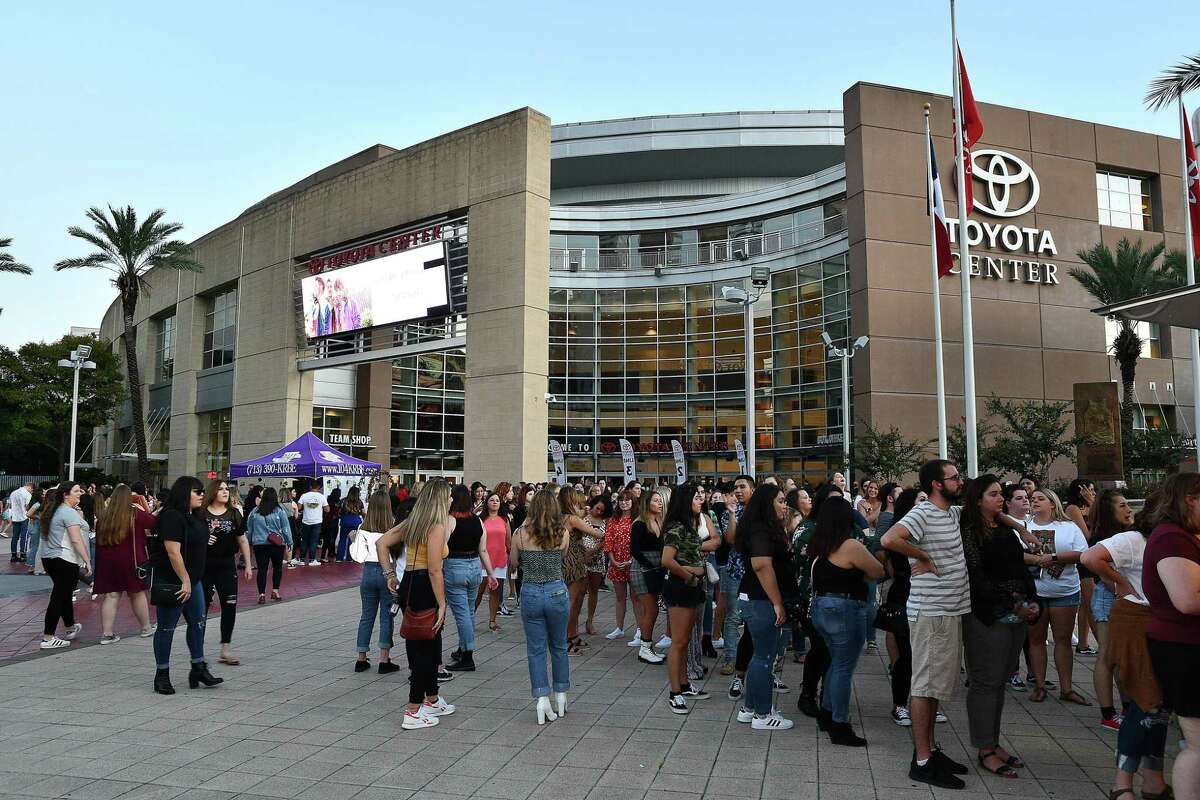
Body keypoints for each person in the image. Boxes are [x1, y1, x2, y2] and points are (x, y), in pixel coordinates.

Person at [881, 459, 970, 789]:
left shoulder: (952, 513)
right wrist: (923, 556)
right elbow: (889, 539)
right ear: (936, 483)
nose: (960, 481)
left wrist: (1022, 530)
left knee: (934, 688)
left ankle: (931, 750)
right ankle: (922, 761)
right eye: (954, 477)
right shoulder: (923, 512)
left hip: (947, 611)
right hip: (932, 614)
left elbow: (989, 511)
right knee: (924, 687)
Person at [1081, 500, 1172, 800]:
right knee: (1146, 703)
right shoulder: (1134, 539)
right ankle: (1123, 783)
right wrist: (1120, 582)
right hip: (1137, 618)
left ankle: (1153, 779)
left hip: (1166, 624)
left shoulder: (1177, 538)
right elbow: (1089, 557)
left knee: (1159, 707)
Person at [959, 475, 1039, 778]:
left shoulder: (1004, 529)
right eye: (993, 494)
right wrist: (1012, 603)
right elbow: (976, 576)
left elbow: (1019, 566)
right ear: (978, 499)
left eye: (1000, 494)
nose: (1000, 499)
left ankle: (992, 742)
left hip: (1016, 613)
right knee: (985, 681)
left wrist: (1032, 600)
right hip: (987, 615)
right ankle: (985, 748)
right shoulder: (969, 531)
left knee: (1000, 680)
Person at [377, 479, 456, 730]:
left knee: (428, 643)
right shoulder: (436, 525)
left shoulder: (414, 521)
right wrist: (442, 603)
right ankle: (413, 709)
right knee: (425, 647)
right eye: (449, 496)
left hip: (410, 583)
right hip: (424, 585)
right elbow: (434, 569)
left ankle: (431, 698)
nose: (452, 499)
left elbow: (381, 543)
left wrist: (390, 575)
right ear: (440, 499)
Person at [808, 495, 884, 745]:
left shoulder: (819, 545)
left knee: (835, 663)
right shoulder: (850, 546)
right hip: (845, 609)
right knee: (843, 668)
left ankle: (827, 713)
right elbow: (878, 570)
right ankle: (839, 724)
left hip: (821, 608)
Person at [1143, 472, 1200, 800]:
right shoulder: (1171, 538)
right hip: (1184, 649)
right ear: (1190, 499)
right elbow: (1187, 600)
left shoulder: (1184, 536)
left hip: (1186, 645)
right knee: (1197, 744)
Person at [150, 476, 223, 694]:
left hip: (194, 580)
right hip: (173, 581)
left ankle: (198, 667)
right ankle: (162, 674)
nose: (202, 495)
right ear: (184, 493)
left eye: (202, 491)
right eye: (197, 491)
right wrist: (185, 580)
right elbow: (173, 552)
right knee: (167, 627)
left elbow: (197, 543)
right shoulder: (172, 516)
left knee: (198, 623)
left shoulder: (197, 516)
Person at [735, 483, 799, 731]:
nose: (785, 506)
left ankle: (750, 708)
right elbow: (762, 565)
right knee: (764, 657)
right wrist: (777, 602)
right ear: (767, 504)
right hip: (761, 600)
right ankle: (762, 714)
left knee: (759, 656)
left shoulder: (762, 527)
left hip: (758, 599)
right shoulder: (760, 529)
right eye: (781, 501)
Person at [509, 489, 570, 725]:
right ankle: (561, 695)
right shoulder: (562, 533)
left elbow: (514, 562)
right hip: (556, 590)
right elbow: (562, 557)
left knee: (536, 649)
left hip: (531, 591)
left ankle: (542, 698)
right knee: (559, 646)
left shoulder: (520, 534)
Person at [1026, 488, 1090, 705]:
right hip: (1035, 592)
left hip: (1064, 592)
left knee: (1063, 640)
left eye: (1040, 498)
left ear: (1052, 503)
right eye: (1032, 499)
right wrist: (1036, 560)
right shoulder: (1025, 526)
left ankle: (1067, 688)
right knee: (1036, 639)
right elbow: (1014, 554)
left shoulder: (1068, 527)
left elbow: (1083, 554)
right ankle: (1039, 686)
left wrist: (1053, 557)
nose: (1034, 501)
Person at [661, 483, 718, 714]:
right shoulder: (676, 527)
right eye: (696, 497)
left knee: (684, 640)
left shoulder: (689, 525)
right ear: (685, 501)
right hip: (681, 587)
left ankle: (684, 685)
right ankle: (674, 693)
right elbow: (667, 560)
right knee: (678, 642)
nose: (701, 500)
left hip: (691, 587)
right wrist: (689, 576)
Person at [1087, 489, 1135, 730]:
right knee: (1107, 656)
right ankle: (1108, 713)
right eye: (1122, 505)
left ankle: (1128, 707)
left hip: (1126, 598)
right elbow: (1104, 575)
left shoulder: (1130, 534)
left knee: (1122, 657)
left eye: (1128, 504)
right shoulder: (1102, 539)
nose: (1129, 510)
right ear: (1109, 511)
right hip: (1110, 598)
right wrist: (1124, 590)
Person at [443, 485, 496, 673]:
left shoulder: (450, 520)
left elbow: (441, 547)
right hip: (474, 567)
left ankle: (467, 655)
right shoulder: (477, 521)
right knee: (469, 612)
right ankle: (462, 648)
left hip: (455, 566)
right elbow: (483, 550)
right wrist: (490, 573)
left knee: (462, 614)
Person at [200, 479, 253, 666]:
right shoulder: (201, 513)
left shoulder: (234, 513)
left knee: (229, 605)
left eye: (226, 489)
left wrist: (248, 564)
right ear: (212, 492)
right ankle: (198, 650)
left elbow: (242, 540)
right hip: (204, 566)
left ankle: (225, 648)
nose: (225, 492)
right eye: (221, 489)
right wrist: (204, 539)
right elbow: (190, 538)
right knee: (201, 607)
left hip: (227, 565)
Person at [94, 484, 155, 643]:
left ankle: (107, 634)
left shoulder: (104, 517)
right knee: (137, 593)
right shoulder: (135, 514)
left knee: (111, 596)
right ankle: (146, 628)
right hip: (132, 562)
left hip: (108, 563)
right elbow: (153, 523)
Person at [881, 488, 921, 726]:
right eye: (922, 500)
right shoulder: (898, 532)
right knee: (906, 654)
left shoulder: (932, 529)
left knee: (927, 655)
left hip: (930, 596)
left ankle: (925, 703)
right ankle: (900, 704)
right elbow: (893, 566)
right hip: (906, 594)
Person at [38, 482, 93, 649]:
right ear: (65, 495)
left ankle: (70, 626)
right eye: (76, 491)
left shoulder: (54, 510)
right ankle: (48, 637)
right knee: (59, 596)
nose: (80, 493)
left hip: (50, 558)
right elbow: (76, 539)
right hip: (64, 559)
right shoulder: (68, 512)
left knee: (64, 593)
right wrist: (87, 560)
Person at [351, 491, 399, 673]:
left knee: (366, 616)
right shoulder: (393, 526)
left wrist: (352, 540)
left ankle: (361, 658)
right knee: (387, 616)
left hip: (368, 572)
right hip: (388, 572)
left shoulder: (363, 527)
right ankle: (384, 660)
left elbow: (358, 556)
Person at [558, 487, 602, 655]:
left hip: (565, 558)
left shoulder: (560, 517)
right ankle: (565, 640)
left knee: (574, 600)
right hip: (573, 560)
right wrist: (608, 530)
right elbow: (595, 533)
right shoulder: (572, 518)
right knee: (571, 601)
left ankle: (572, 634)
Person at [629, 488, 667, 664]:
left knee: (653, 608)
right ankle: (644, 648)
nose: (660, 503)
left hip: (657, 568)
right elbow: (634, 550)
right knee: (650, 609)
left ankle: (647, 646)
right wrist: (651, 565)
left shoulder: (659, 521)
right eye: (656, 500)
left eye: (660, 501)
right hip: (643, 569)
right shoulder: (639, 523)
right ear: (647, 503)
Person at [1065, 478, 1098, 655]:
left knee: (1086, 603)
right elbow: (1087, 536)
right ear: (1080, 491)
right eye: (1089, 490)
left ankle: (1083, 643)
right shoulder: (1073, 509)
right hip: (1082, 558)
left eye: (1093, 490)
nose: (1092, 493)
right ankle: (1101, 642)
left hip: (1093, 556)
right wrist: (1093, 504)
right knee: (1091, 600)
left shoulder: (1089, 508)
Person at [247, 488, 292, 604]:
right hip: (277, 544)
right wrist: (289, 541)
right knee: (277, 568)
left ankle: (261, 594)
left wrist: (250, 541)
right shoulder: (279, 511)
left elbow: (249, 528)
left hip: (259, 544)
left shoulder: (255, 511)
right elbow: (286, 527)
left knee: (262, 569)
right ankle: (275, 591)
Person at [476, 490, 511, 632]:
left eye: (497, 500)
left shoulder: (504, 519)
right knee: (479, 590)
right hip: (483, 560)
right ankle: (469, 617)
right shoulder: (481, 518)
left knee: (495, 591)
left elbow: (509, 541)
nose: (495, 502)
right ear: (487, 503)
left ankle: (492, 620)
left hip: (500, 559)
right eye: (492, 500)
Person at [602, 490, 635, 639]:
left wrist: (631, 560)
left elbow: (639, 543)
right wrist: (613, 561)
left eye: (627, 500)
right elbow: (608, 542)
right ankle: (619, 628)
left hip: (633, 563)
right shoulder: (613, 520)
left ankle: (640, 630)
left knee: (636, 598)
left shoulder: (637, 519)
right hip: (616, 563)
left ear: (633, 501)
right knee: (620, 597)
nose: (624, 502)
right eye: (621, 500)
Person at [582, 495, 609, 635]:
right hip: (582, 558)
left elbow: (607, 539)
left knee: (594, 590)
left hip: (597, 558)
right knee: (580, 591)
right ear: (592, 505)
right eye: (597, 508)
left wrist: (593, 551)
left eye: (602, 510)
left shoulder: (605, 521)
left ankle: (590, 621)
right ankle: (573, 621)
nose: (598, 512)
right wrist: (584, 553)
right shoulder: (582, 518)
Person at [297, 481, 328, 566]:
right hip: (317, 522)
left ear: (310, 486)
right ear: (318, 487)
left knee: (304, 541)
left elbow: (298, 507)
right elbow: (327, 509)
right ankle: (312, 560)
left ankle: (302, 560)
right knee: (314, 541)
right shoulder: (322, 496)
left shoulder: (304, 495)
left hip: (305, 521)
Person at [338, 486, 364, 562]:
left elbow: (339, 511)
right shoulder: (359, 502)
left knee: (342, 539)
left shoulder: (343, 500)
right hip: (355, 522)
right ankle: (350, 558)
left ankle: (339, 558)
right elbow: (363, 512)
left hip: (345, 521)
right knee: (352, 540)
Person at [8, 480, 31, 563]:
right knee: (24, 537)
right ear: (30, 487)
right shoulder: (27, 494)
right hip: (24, 517)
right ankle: (23, 555)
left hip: (15, 517)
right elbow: (27, 506)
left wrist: (11, 515)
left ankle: (13, 555)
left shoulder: (13, 493)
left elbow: (10, 506)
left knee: (15, 537)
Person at [321, 487, 342, 562]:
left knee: (328, 539)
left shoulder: (328, 500)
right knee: (331, 538)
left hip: (327, 521)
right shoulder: (337, 502)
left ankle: (329, 552)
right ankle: (328, 553)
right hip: (333, 521)